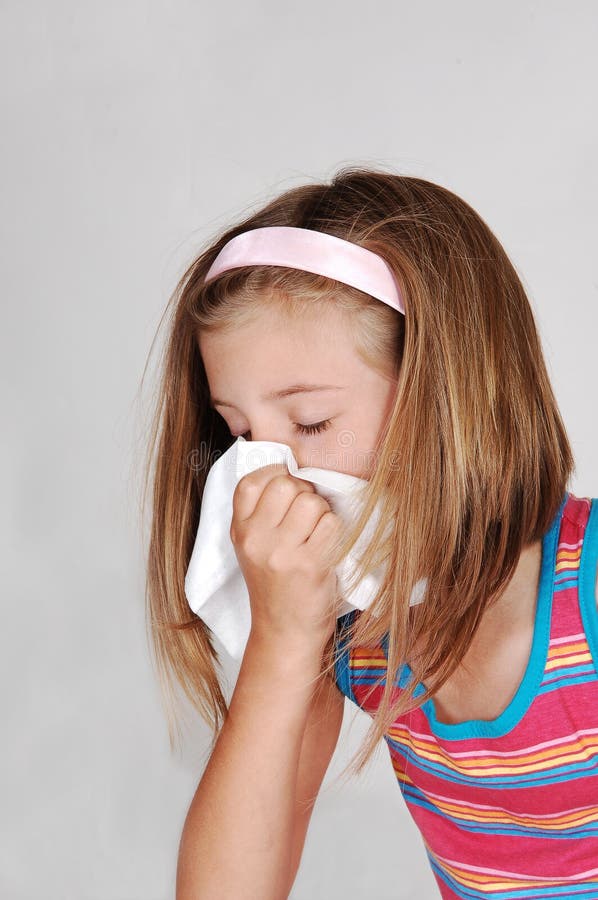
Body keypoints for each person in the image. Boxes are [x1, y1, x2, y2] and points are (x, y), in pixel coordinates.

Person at [140, 167, 598, 899]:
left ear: (445, 394)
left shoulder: (589, 592)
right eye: (239, 435)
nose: (267, 479)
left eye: (312, 422)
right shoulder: (352, 636)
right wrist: (282, 643)